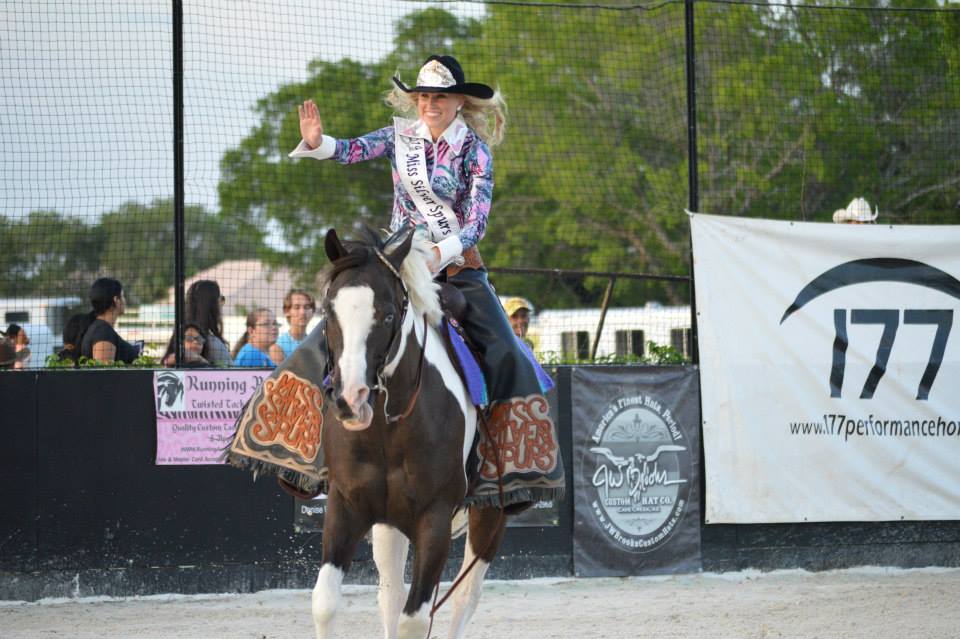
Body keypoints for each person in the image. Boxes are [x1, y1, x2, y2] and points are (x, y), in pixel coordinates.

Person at [288, 54, 562, 505]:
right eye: (423, 97)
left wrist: (441, 252)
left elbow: (475, 223)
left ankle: (511, 469)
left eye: (439, 97)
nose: (430, 104)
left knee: (505, 350)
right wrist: (319, 143)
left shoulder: (476, 150)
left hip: (456, 264)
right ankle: (306, 457)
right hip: (397, 260)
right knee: (334, 333)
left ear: (459, 102)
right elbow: (354, 149)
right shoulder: (400, 136)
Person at [79, 278, 140, 364]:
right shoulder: (103, 332)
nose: (124, 300)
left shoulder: (101, 329)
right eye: (122, 296)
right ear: (116, 300)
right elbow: (105, 374)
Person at [185, 280, 231, 366]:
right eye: (221, 299)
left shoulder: (177, 340)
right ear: (212, 305)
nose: (222, 304)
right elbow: (233, 376)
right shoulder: (214, 345)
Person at [269, 289, 316, 365]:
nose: (302, 312)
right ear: (287, 311)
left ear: (313, 311)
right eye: (297, 307)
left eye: (306, 307)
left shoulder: (315, 344)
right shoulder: (277, 348)